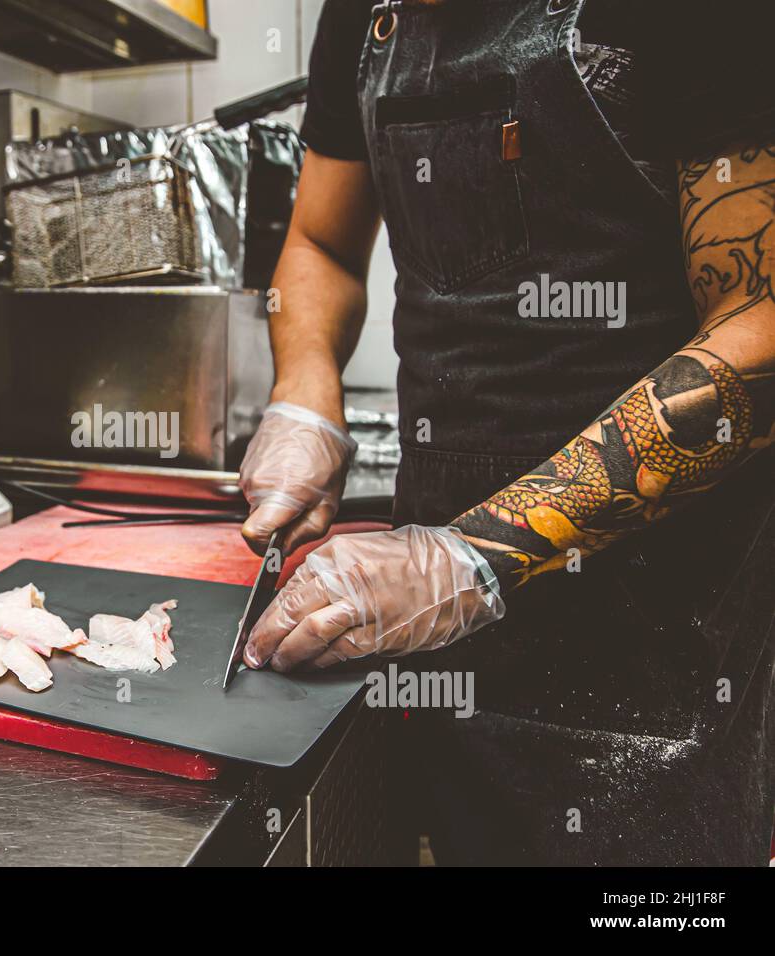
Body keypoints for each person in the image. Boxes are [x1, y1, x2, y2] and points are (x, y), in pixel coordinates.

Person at [238, 0, 775, 865]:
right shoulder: (362, 15)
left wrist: (474, 556)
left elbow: (762, 329)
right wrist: (305, 398)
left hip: (654, 628)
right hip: (426, 609)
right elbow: (320, 243)